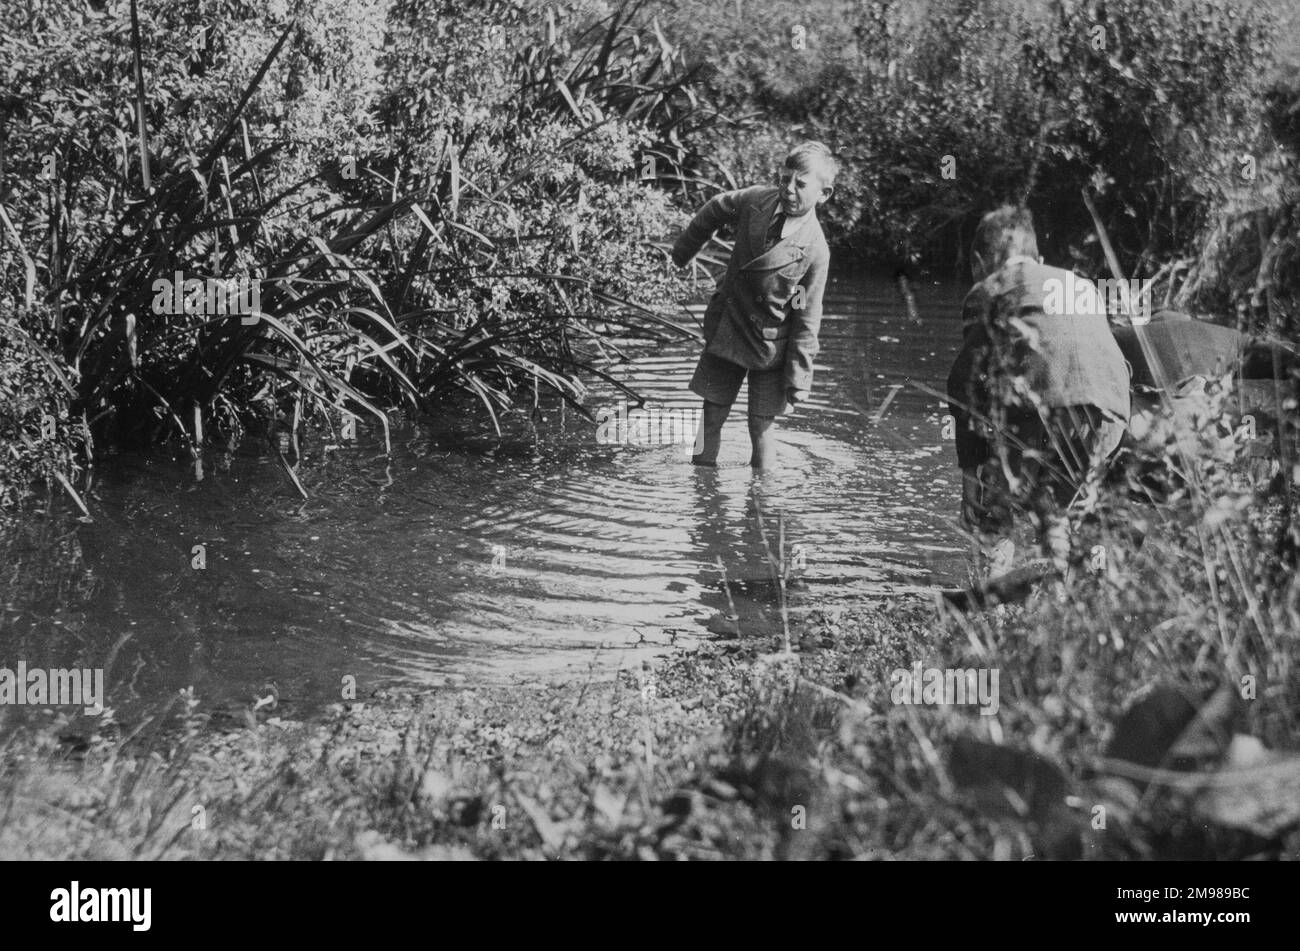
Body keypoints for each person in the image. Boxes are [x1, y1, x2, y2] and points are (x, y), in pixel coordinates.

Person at [946, 206, 1130, 574]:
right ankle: (1063, 596)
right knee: (1063, 515)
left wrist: (970, 480)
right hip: (1111, 415)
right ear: (1038, 259)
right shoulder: (1081, 284)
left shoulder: (989, 288)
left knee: (994, 500)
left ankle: (992, 596)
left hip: (1047, 410)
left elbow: (965, 386)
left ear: (980, 263)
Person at [670, 141, 835, 469]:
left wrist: (799, 378)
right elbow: (716, 207)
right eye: (784, 179)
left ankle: (762, 506)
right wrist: (681, 253)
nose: (788, 190)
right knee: (711, 417)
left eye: (800, 184)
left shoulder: (816, 251)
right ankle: (703, 495)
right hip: (728, 327)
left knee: (761, 427)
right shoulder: (755, 201)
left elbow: (807, 318)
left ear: (824, 194)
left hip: (771, 346)